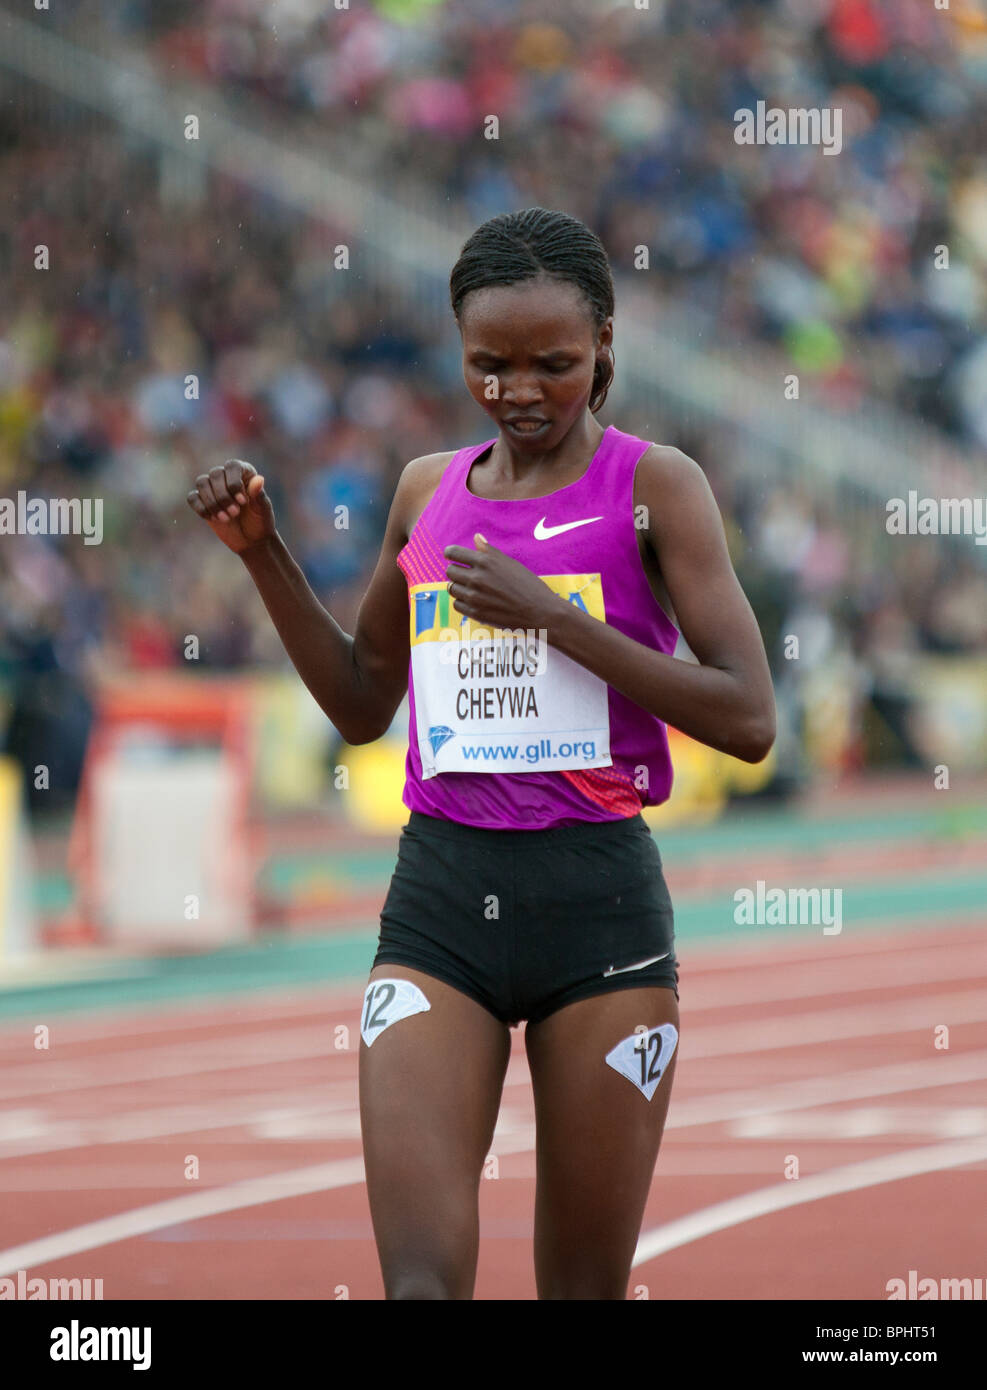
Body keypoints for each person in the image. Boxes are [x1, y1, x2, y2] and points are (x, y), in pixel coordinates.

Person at [187, 207, 775, 1299]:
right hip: (442, 899)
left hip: (598, 908)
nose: (519, 390)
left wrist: (555, 619)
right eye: (489, 364)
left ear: (604, 343)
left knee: (582, 1289)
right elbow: (365, 703)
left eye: (553, 363)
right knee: (418, 1286)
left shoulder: (658, 488)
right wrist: (265, 557)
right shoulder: (429, 489)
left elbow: (749, 718)